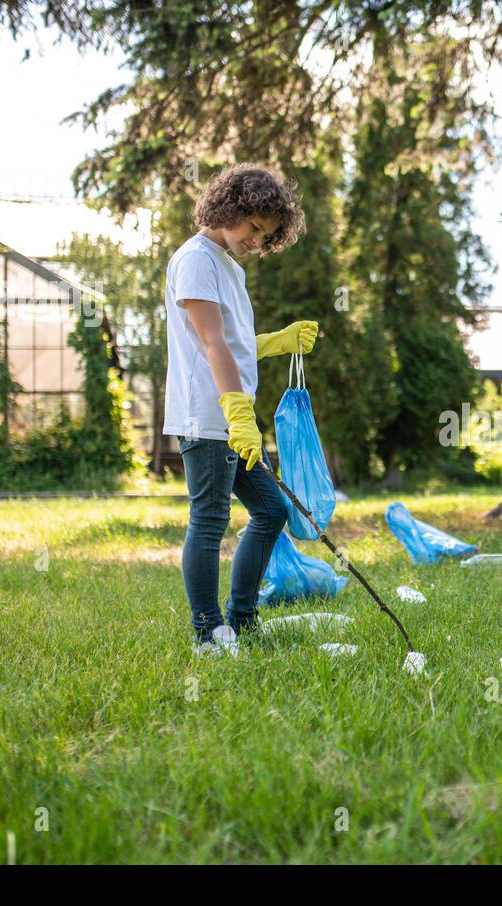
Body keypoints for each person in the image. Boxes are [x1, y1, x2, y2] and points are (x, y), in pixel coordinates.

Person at [163, 163, 319, 657]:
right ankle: (208, 632)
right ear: (230, 208)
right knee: (209, 520)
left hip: (233, 420)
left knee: (271, 510)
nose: (257, 240)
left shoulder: (226, 264)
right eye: (253, 227)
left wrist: (274, 342)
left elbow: (230, 341)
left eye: (267, 235)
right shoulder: (195, 260)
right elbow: (211, 345)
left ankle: (243, 621)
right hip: (209, 416)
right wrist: (236, 414)